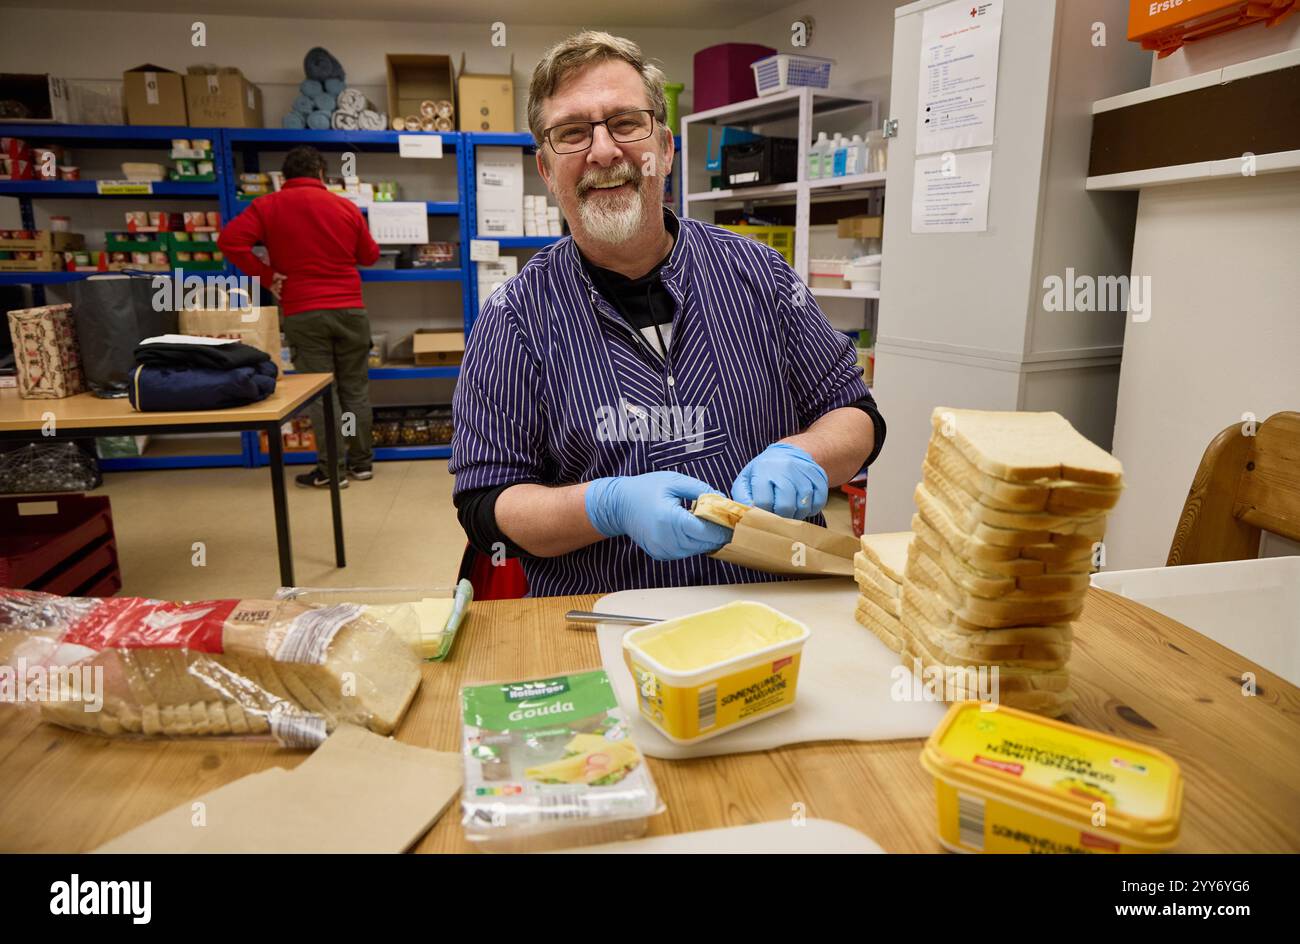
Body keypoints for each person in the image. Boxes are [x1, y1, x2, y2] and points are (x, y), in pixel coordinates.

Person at [451, 31, 885, 595]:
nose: (604, 152)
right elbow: (487, 507)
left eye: (627, 123)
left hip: (776, 605)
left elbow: (855, 413)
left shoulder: (757, 272)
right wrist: (606, 507)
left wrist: (806, 455)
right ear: (545, 169)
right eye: (572, 133)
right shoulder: (514, 318)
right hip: (601, 619)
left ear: (668, 147)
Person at [218, 144, 380, 488]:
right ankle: (362, 464)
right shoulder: (344, 207)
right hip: (350, 310)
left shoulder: (266, 206)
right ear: (322, 174)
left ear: (284, 178)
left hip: (303, 311)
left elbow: (230, 240)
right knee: (355, 390)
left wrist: (266, 274)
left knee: (322, 392)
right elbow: (370, 255)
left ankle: (333, 472)